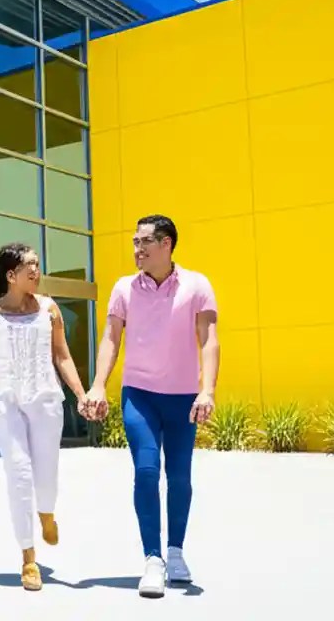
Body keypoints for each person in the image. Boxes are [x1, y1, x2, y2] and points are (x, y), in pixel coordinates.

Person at [83, 214, 220, 598]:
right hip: (139, 395)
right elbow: (111, 339)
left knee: (179, 477)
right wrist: (98, 386)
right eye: (134, 242)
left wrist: (206, 391)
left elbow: (209, 340)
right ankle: (153, 559)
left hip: (182, 398)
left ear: (166, 244)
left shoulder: (197, 285)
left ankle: (176, 552)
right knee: (146, 470)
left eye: (144, 242)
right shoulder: (124, 288)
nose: (136, 249)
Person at [0, 242, 91, 591]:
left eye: (38, 264)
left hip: (45, 399)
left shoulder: (49, 309)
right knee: (19, 473)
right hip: (4, 401)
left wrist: (81, 395)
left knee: (46, 469)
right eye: (30, 267)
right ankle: (28, 558)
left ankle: (47, 513)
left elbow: (63, 356)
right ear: (11, 275)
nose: (36, 272)